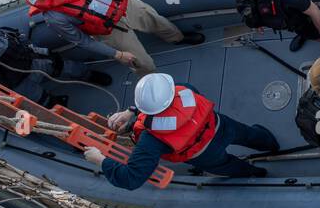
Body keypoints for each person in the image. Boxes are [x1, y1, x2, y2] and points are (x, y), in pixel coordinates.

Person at [82, 73, 278, 189]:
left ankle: (258, 174)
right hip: (220, 125)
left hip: (204, 155)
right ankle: (270, 144)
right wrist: (131, 111)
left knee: (231, 166)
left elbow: (131, 179)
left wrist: (100, 159)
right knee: (249, 134)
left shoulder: (151, 139)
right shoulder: (185, 89)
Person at [18, 0, 204, 74]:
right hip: (109, 31)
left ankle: (177, 39)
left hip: (124, 5)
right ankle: (152, 81)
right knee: (142, 63)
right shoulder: (55, 17)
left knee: (159, 22)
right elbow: (82, 41)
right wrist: (118, 54)